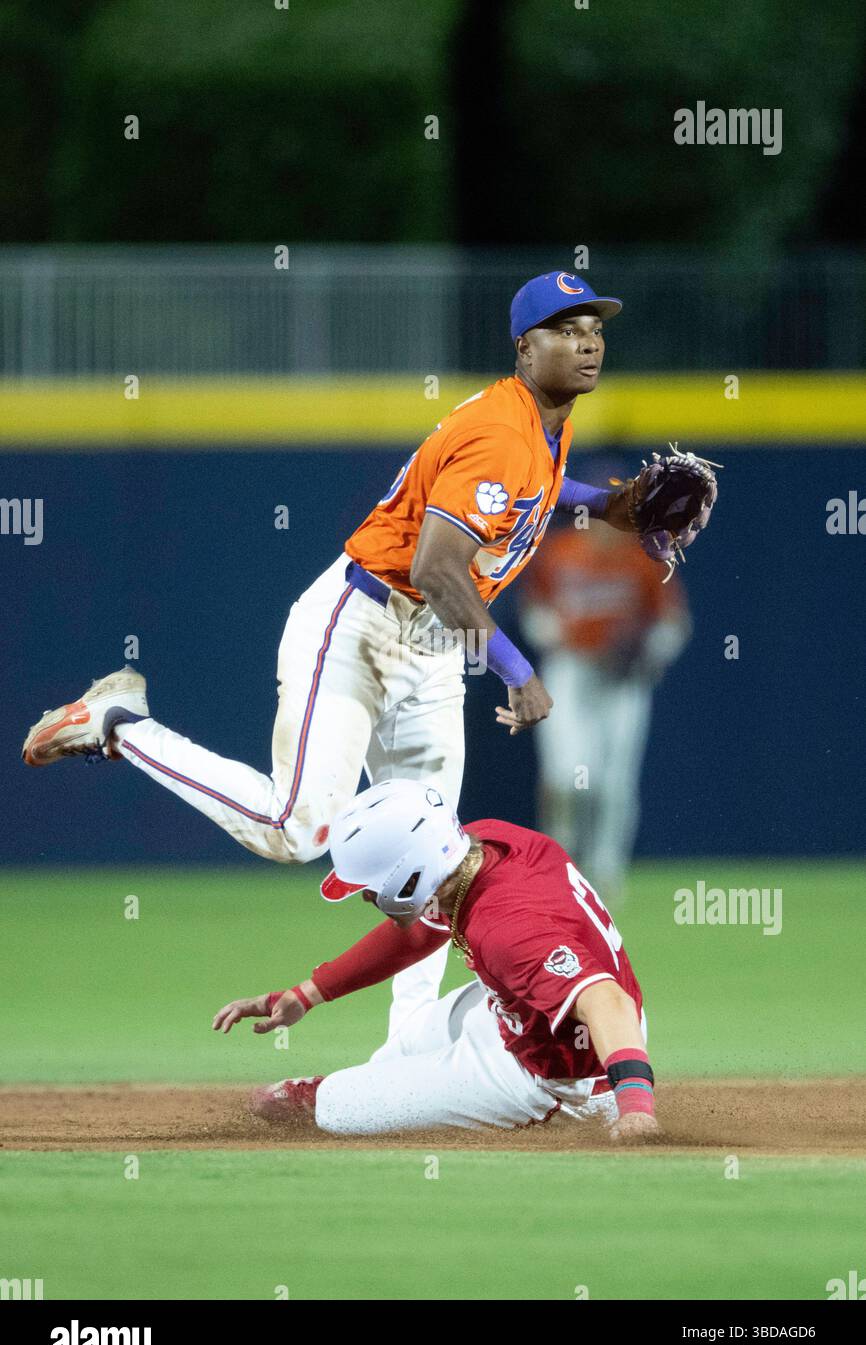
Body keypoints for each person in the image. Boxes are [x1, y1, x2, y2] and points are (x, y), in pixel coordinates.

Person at [22, 270, 637, 1037]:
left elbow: (530, 491)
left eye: (595, 329)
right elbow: (437, 569)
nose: (587, 342)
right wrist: (518, 672)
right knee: (298, 830)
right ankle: (119, 724)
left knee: (437, 862)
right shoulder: (502, 431)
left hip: (434, 648)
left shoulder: (541, 422)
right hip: (361, 625)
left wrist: (600, 502)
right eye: (566, 328)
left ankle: (413, 1051)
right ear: (525, 346)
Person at [212, 780, 660, 1144]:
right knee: (397, 1052)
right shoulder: (484, 843)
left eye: (367, 885)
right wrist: (308, 993)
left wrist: (636, 1110)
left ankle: (339, 1098)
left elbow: (607, 1002)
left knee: (330, 1107)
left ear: (410, 870)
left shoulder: (507, 929)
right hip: (527, 1012)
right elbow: (423, 926)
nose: (366, 896)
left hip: (563, 1076)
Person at [521, 515, 691, 899]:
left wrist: (646, 650)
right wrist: (557, 633)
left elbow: (672, 624)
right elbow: (535, 612)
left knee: (614, 782)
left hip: (624, 682)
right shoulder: (562, 549)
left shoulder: (647, 556)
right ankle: (558, 861)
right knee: (566, 776)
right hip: (570, 672)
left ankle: (606, 870)